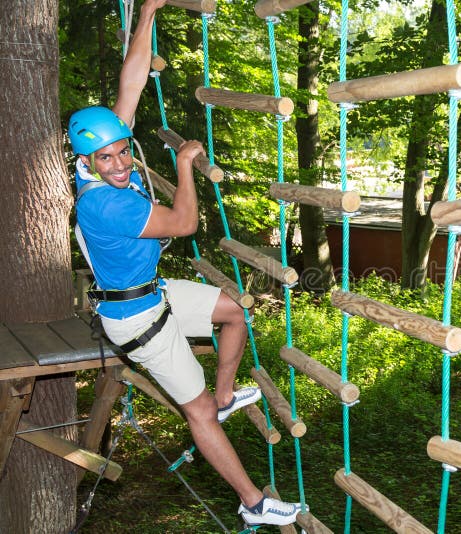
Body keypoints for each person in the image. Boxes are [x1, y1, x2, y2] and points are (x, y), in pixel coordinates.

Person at [67, 0, 300, 527]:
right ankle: (253, 503)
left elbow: (131, 84)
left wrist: (147, 11)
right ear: (87, 162)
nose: (122, 164)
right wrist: (184, 165)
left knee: (233, 311)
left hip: (152, 290)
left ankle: (222, 394)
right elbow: (186, 223)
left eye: (124, 151)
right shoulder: (107, 202)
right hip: (136, 319)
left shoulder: (98, 160)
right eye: (108, 159)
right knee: (194, 414)